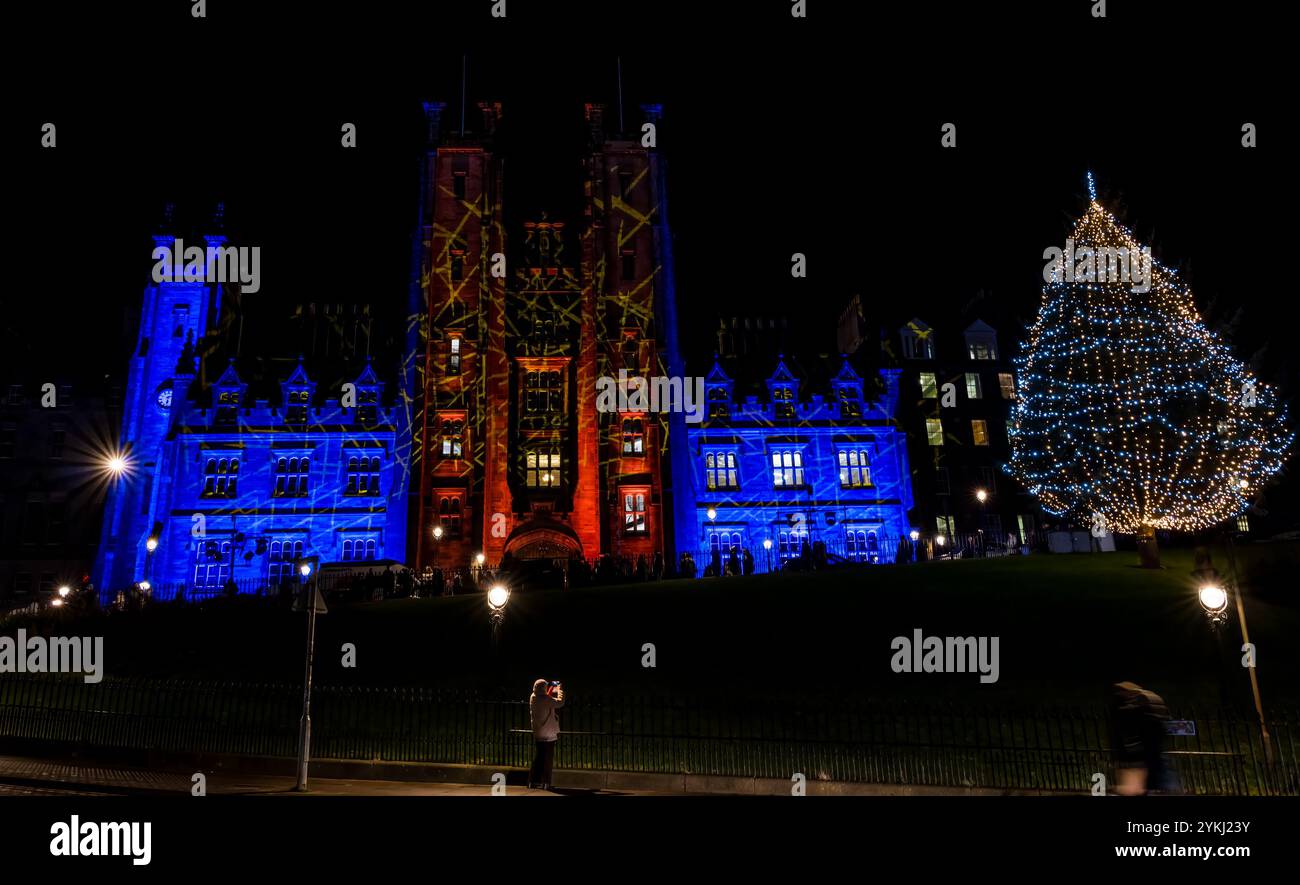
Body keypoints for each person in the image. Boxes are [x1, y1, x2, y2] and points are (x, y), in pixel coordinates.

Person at [1110, 681, 1175, 795]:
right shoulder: (1152, 696)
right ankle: (1168, 789)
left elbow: (1135, 723)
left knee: (1149, 771)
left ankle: (1161, 788)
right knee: (1159, 768)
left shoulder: (1138, 700)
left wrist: (1132, 745)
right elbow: (1166, 718)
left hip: (1146, 743)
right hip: (1157, 741)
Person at [529, 678, 566, 791]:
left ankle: (532, 781)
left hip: (538, 732)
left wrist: (549, 691)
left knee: (539, 757)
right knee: (548, 759)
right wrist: (560, 690)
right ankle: (546, 782)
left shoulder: (533, 697)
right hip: (549, 734)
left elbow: (546, 699)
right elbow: (559, 703)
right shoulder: (546, 699)